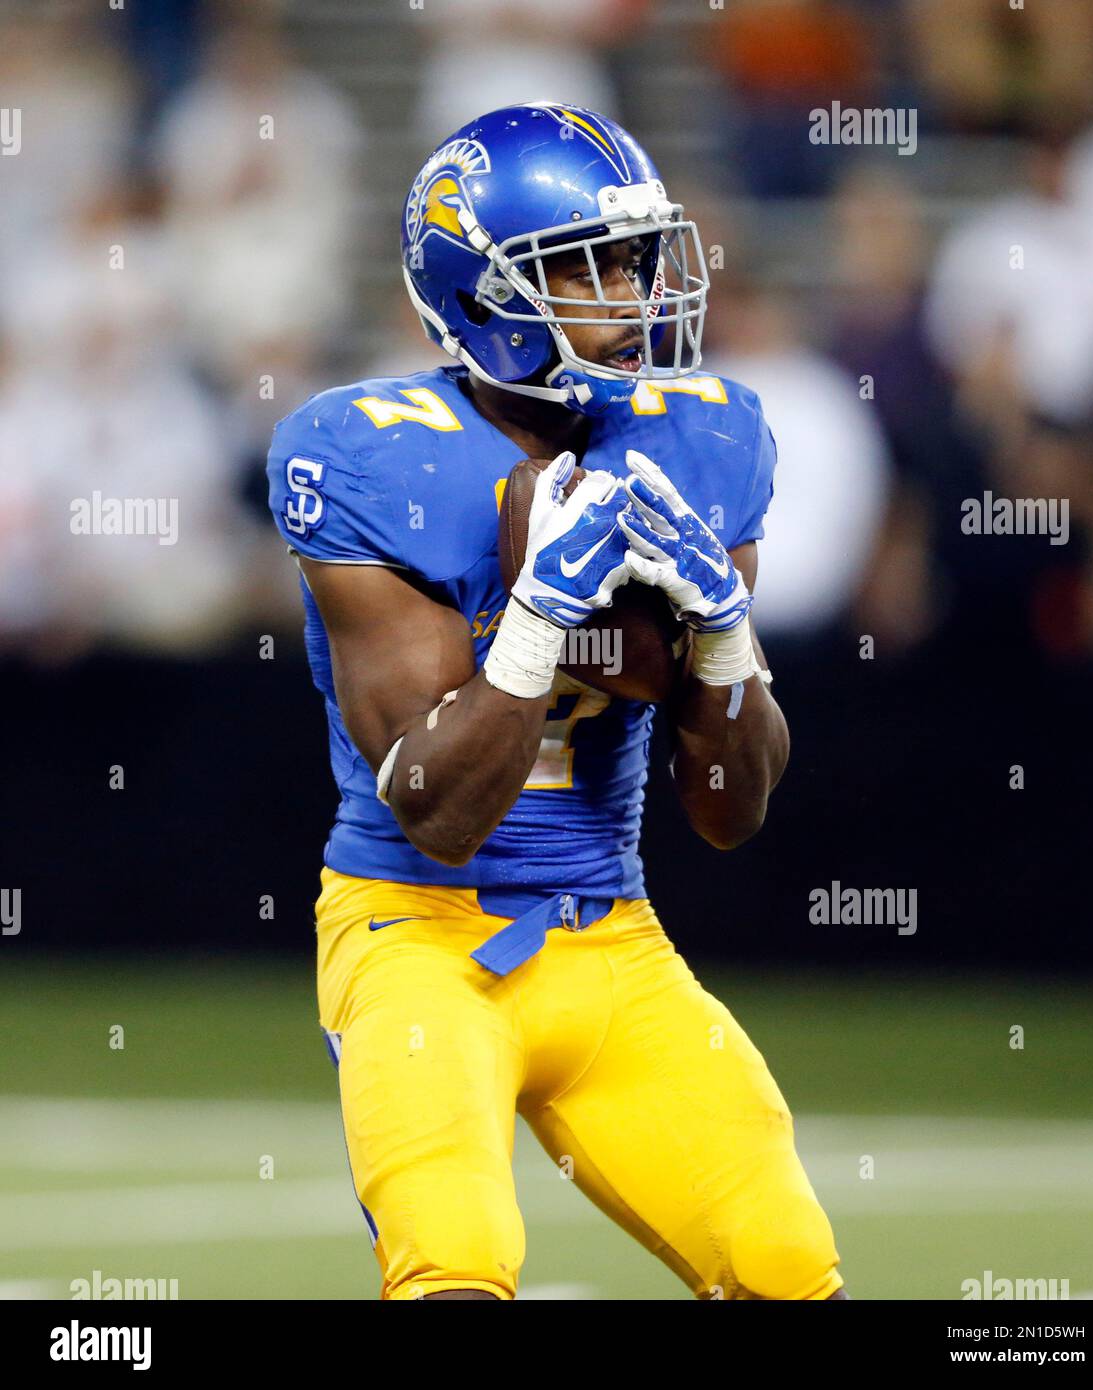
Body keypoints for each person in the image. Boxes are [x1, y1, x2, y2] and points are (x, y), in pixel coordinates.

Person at [266, 102, 846, 1301]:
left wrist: (725, 644)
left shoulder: (705, 439)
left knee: (786, 1260)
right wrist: (537, 621)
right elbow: (437, 810)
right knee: (456, 1259)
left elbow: (731, 811)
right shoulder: (370, 454)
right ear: (478, 293)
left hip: (609, 928)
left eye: (635, 260)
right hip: (417, 934)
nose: (630, 296)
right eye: (580, 266)